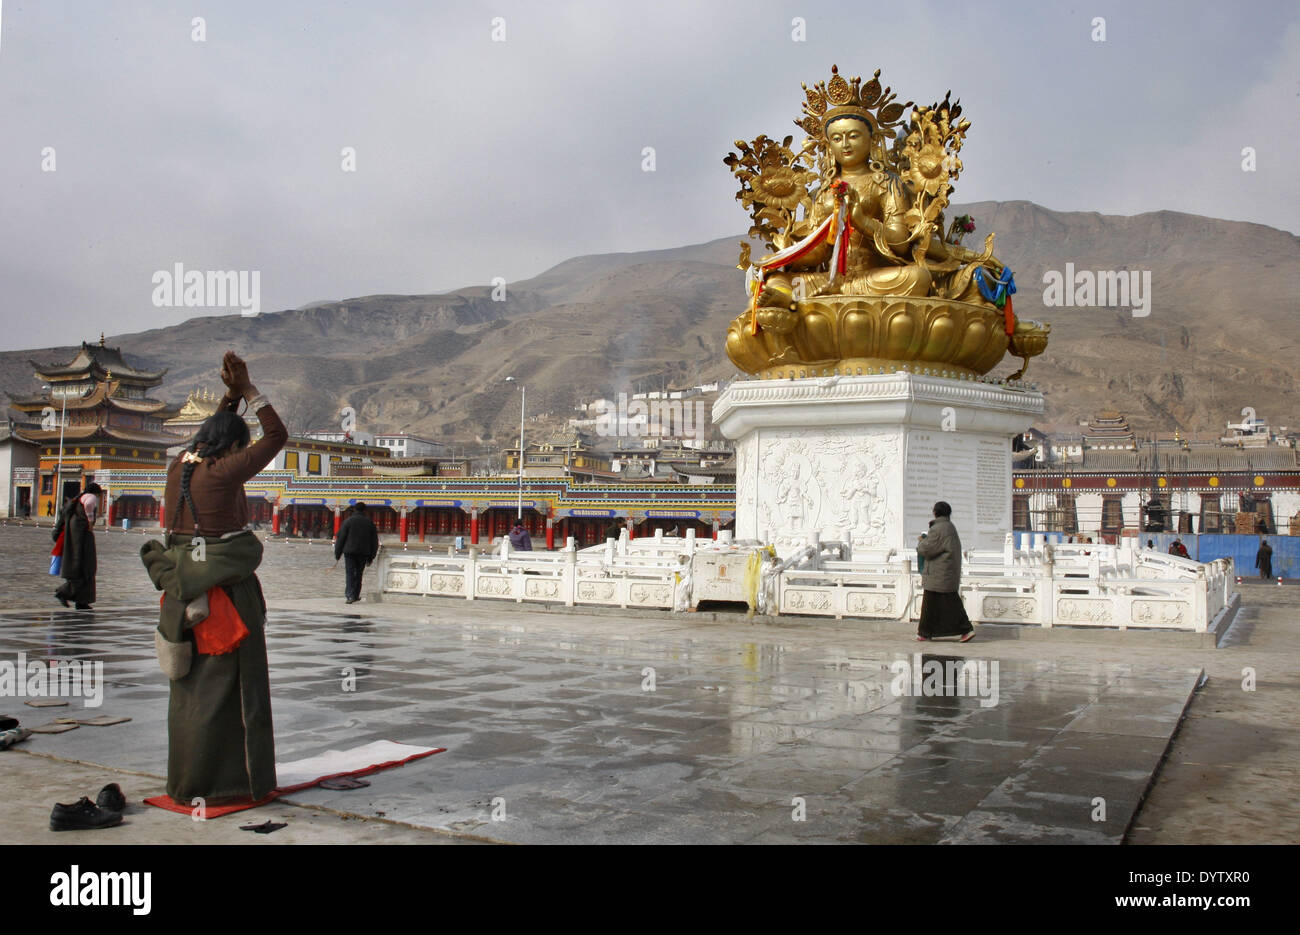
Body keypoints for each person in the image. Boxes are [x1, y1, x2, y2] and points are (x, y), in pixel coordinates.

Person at [140, 352, 287, 806]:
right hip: (225, 596)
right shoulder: (225, 471)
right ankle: (233, 783)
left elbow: (212, 434)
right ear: (233, 449)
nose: (245, 453)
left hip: (183, 591)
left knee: (191, 693)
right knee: (233, 692)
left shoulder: (177, 470)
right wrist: (248, 391)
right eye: (241, 447)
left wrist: (227, 398)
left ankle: (186, 781)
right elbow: (278, 435)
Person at [915, 501, 974, 643]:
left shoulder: (938, 529)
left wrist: (922, 541)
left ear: (935, 512)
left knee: (937, 604)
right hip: (946, 573)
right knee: (938, 604)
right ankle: (925, 633)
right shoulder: (949, 527)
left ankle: (965, 629)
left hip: (939, 573)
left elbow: (926, 549)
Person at [53, 482, 102, 609]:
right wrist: (90, 521)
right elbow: (89, 504)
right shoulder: (90, 498)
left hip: (75, 540)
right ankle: (63, 592)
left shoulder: (75, 503)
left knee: (81, 569)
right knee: (86, 568)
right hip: (83, 539)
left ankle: (82, 601)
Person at [334, 502, 379, 604]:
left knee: (350, 573)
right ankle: (355, 594)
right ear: (364, 510)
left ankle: (350, 595)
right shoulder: (369, 522)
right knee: (359, 574)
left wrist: (337, 554)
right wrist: (371, 557)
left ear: (354, 509)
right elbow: (374, 541)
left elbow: (341, 538)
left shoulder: (348, 521)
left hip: (349, 552)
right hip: (363, 552)